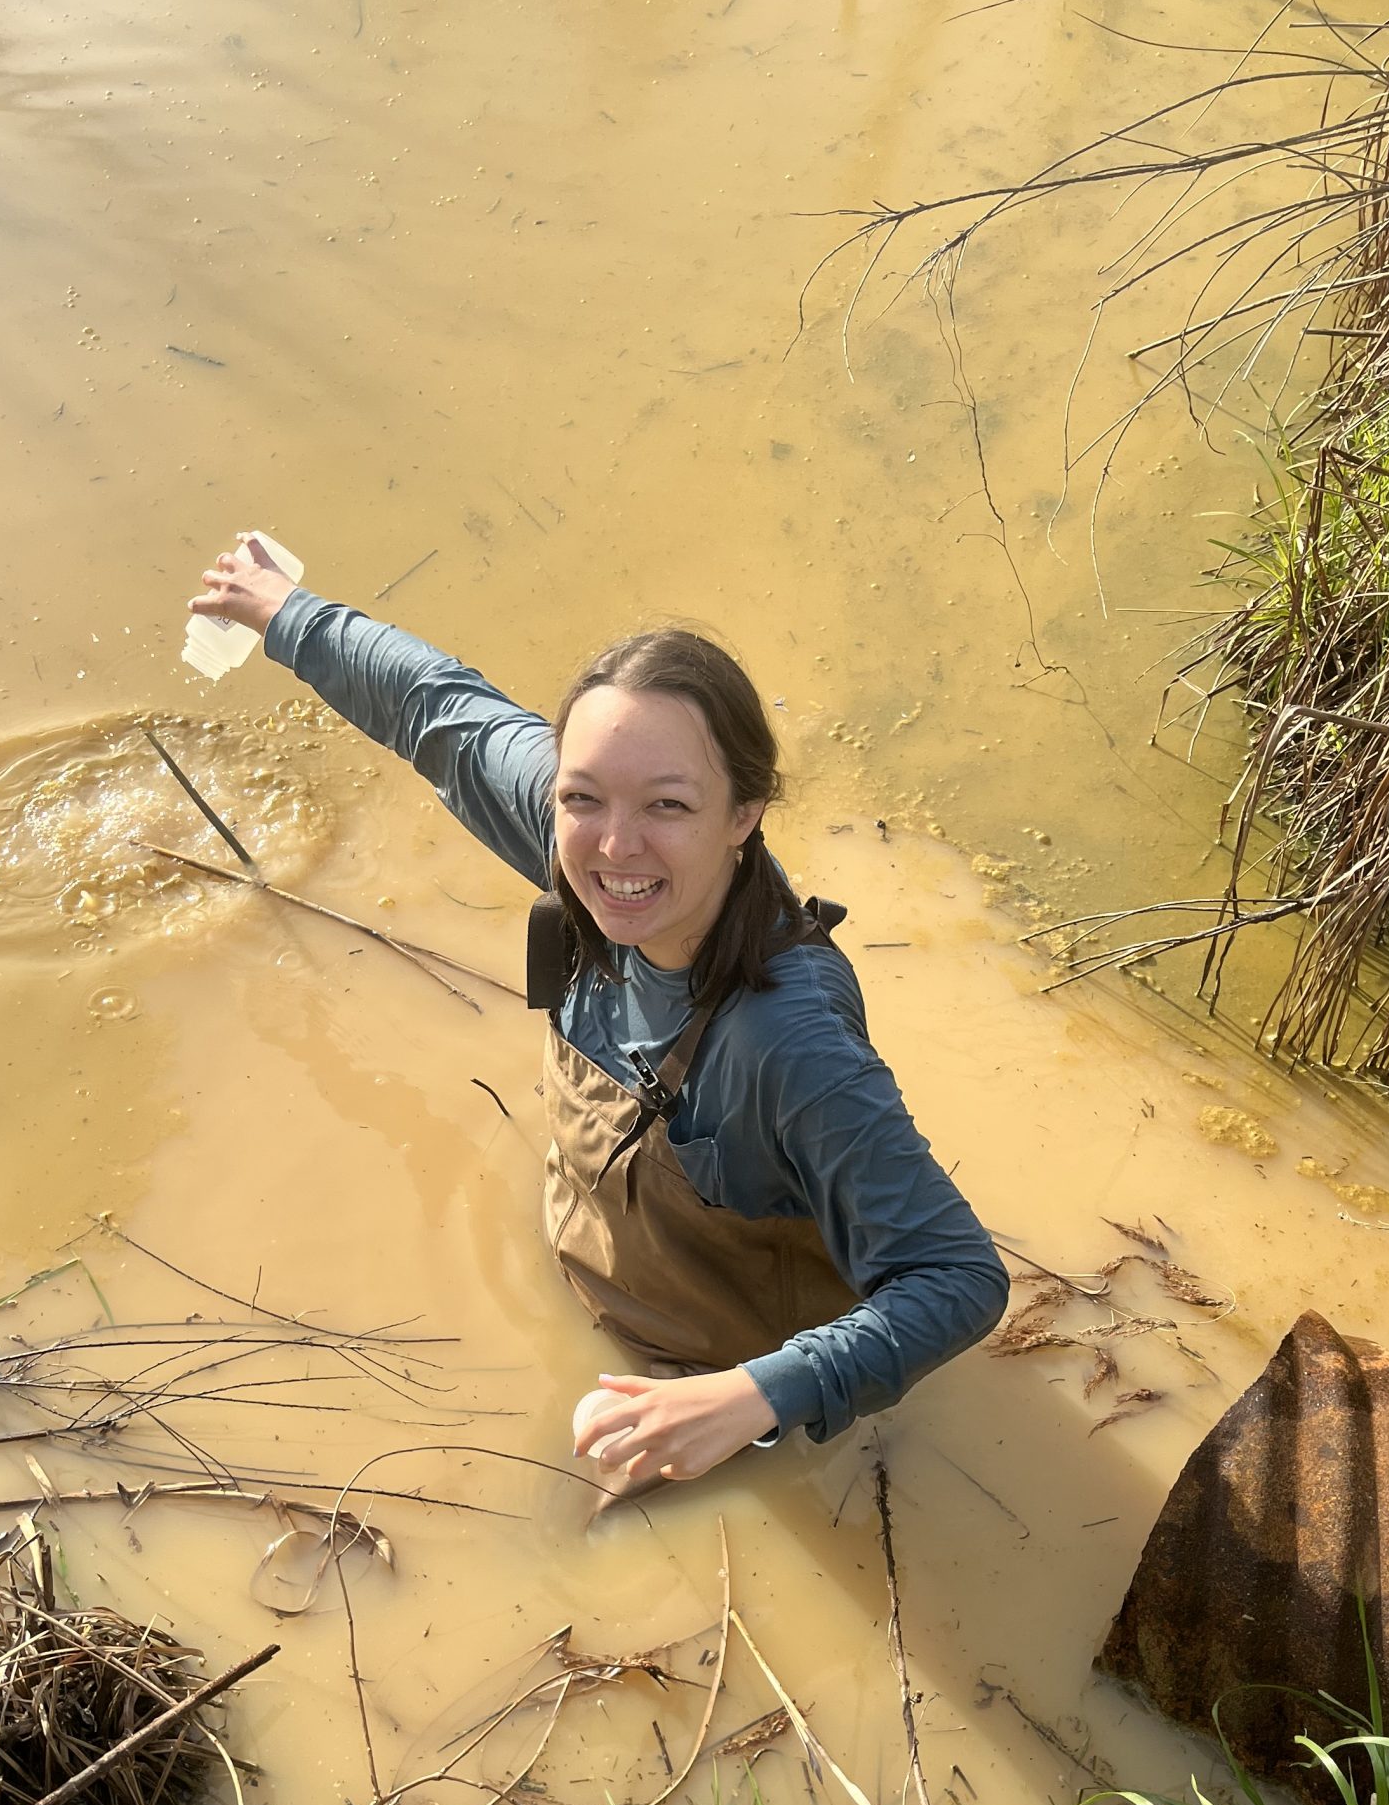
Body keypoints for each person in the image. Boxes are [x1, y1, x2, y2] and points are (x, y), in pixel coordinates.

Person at [190, 540, 1009, 1486]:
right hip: (594, 1296)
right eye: (583, 797)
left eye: (668, 804)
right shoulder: (578, 839)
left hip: (720, 1405)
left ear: (744, 815)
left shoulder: (789, 1040)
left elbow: (958, 1280)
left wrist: (751, 1400)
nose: (616, 848)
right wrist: (284, 611)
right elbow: (435, 709)